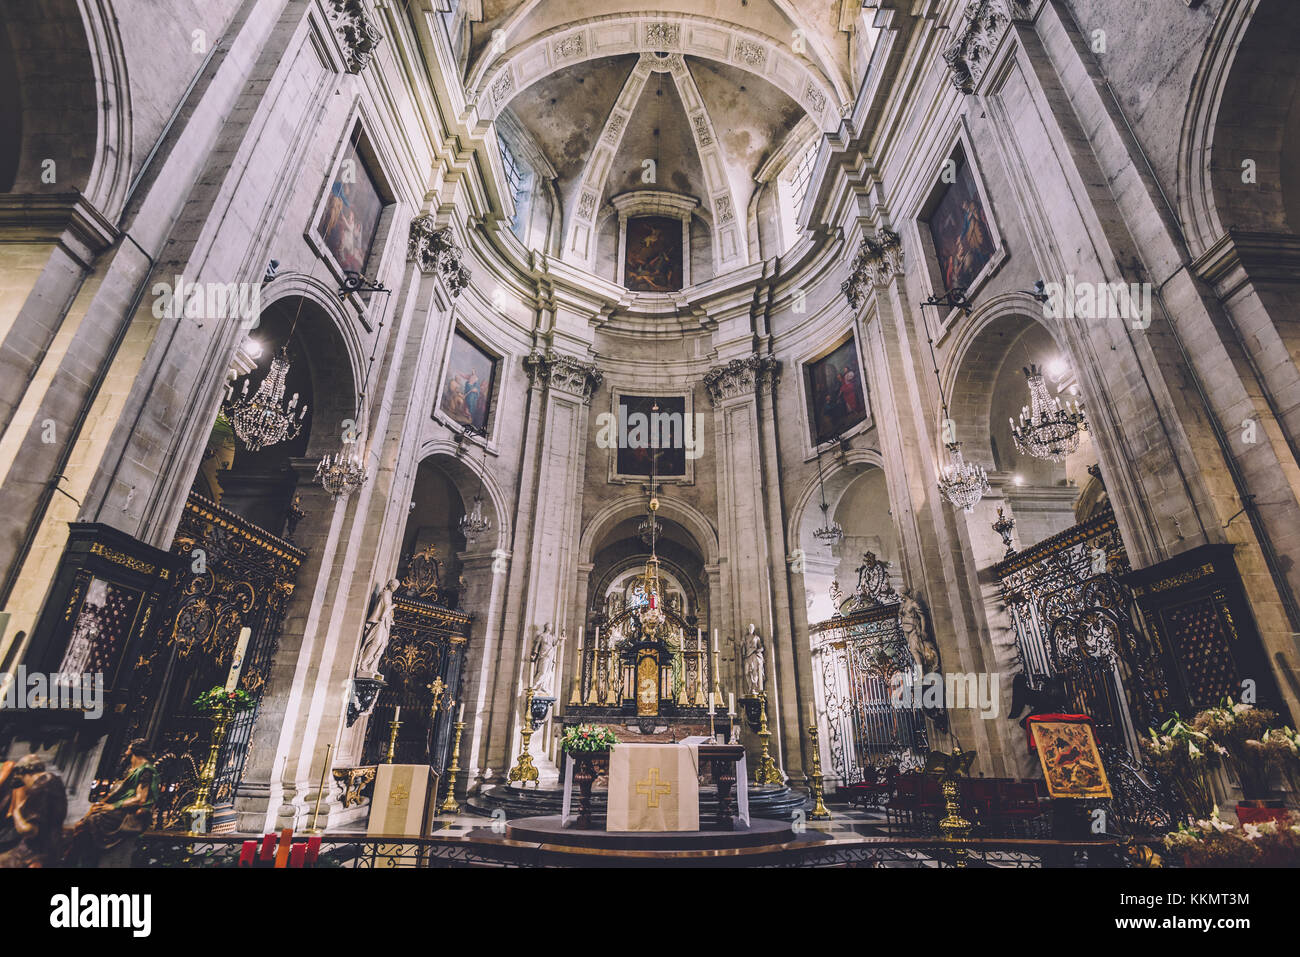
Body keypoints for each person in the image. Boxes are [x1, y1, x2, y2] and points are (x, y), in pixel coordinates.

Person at [64, 739, 158, 867]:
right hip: (123, 809)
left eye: (128, 749)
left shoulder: (146, 771)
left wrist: (113, 806)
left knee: (92, 820)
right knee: (88, 819)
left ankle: (76, 859)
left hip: (131, 812)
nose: (125, 753)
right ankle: (77, 857)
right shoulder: (133, 769)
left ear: (134, 751)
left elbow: (140, 799)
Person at [0, 756, 67, 868]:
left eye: (23, 780)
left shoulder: (41, 787)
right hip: (49, 846)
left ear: (27, 773)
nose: (25, 786)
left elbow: (28, 831)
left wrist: (16, 812)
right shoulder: (54, 780)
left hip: (35, 852)